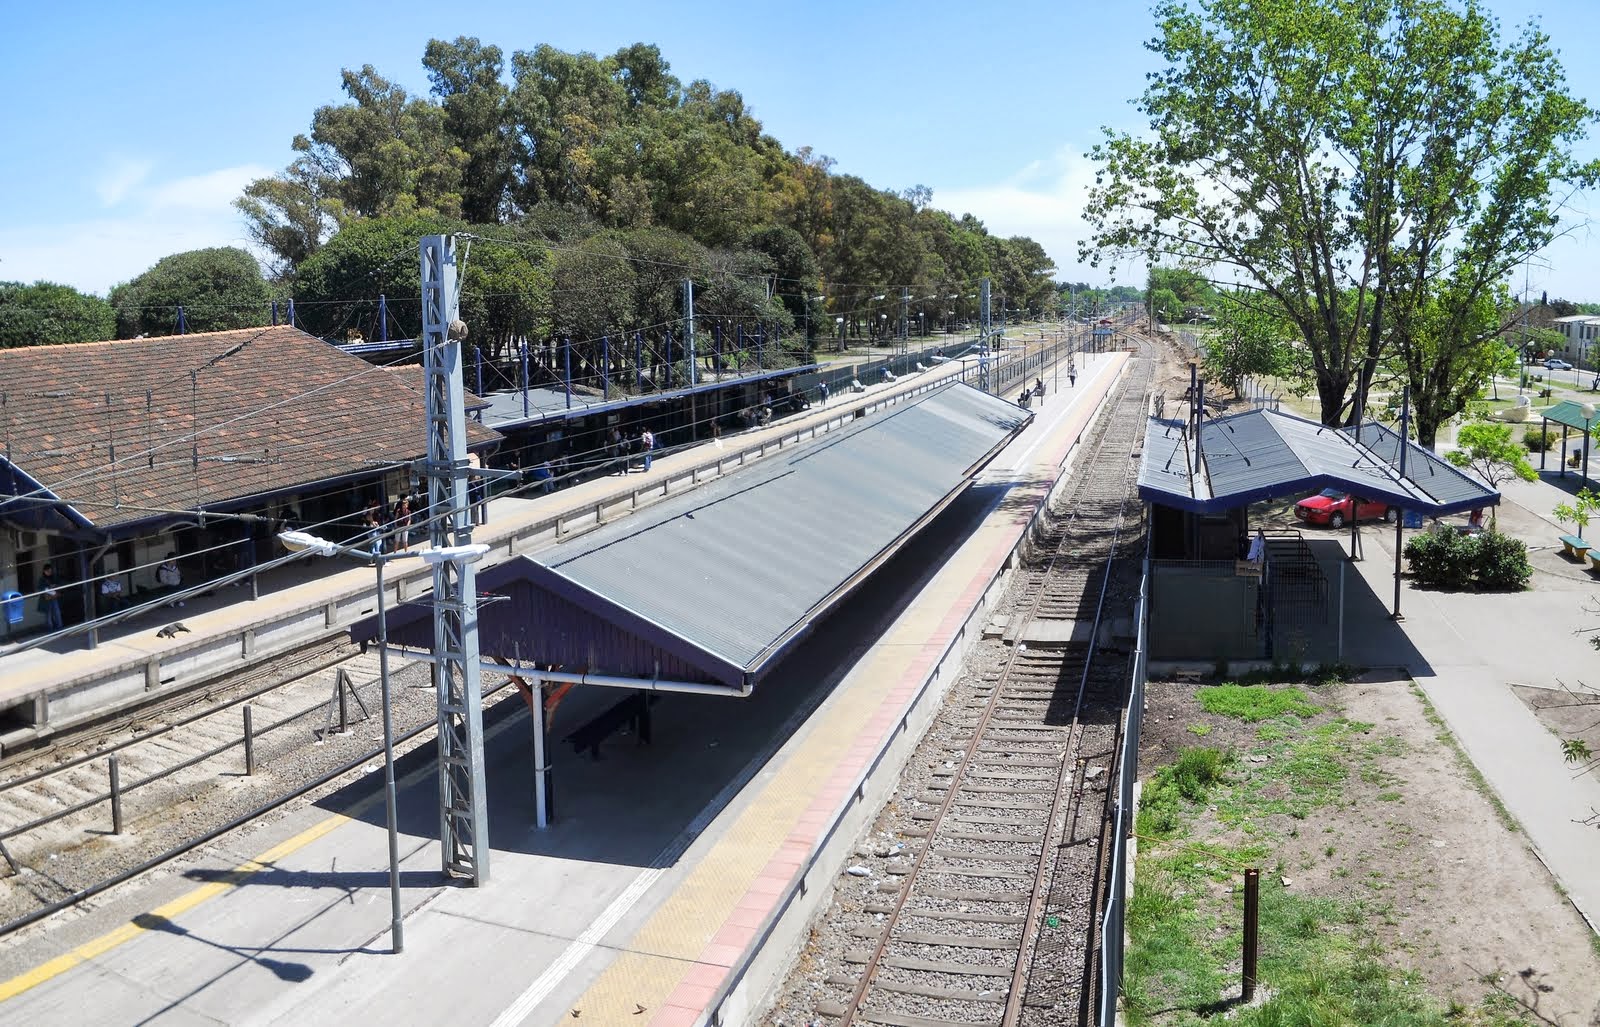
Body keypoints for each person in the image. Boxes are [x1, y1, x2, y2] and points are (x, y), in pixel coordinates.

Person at [38, 564, 62, 630]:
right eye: (48, 571)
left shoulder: (53, 577)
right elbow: (40, 588)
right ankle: (50, 628)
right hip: (46, 599)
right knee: (48, 615)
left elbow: (58, 584)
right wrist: (48, 588)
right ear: (44, 571)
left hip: (54, 597)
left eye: (50, 571)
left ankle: (59, 627)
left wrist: (54, 586)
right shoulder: (42, 579)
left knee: (57, 612)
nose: (49, 572)